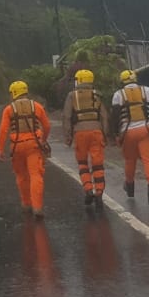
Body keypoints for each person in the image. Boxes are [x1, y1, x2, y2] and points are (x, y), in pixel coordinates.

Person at [0, 80, 52, 217]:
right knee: (36, 175)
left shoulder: (9, 109)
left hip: (17, 147)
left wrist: (0, 149)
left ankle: (26, 204)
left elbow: (3, 131)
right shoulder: (37, 106)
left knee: (21, 176)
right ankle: (37, 208)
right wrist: (44, 140)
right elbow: (47, 126)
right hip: (34, 145)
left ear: (14, 93)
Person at [112, 69, 149, 204]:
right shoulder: (147, 90)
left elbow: (115, 117)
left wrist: (115, 134)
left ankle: (130, 187)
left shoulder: (118, 94)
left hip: (127, 132)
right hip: (146, 129)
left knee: (129, 160)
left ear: (122, 81)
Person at [63, 68, 109, 208]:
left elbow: (67, 116)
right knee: (98, 164)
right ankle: (99, 192)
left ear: (79, 81)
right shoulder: (97, 95)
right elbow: (105, 117)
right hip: (96, 132)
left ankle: (88, 189)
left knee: (83, 163)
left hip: (80, 133)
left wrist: (68, 136)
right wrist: (105, 134)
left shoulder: (72, 96)